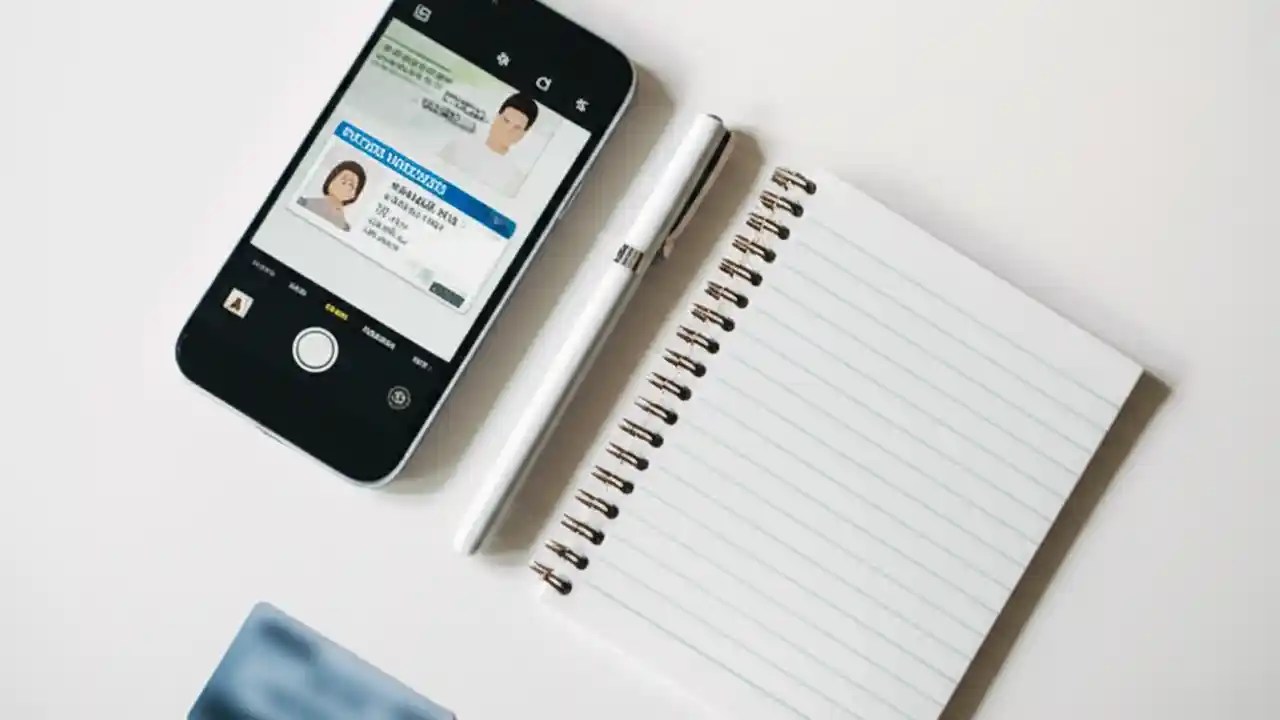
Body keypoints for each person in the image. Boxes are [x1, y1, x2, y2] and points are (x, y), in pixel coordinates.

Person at [439, 92, 539, 196]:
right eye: (506, 121)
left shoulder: (515, 179)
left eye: (516, 128)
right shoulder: (458, 145)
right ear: (496, 117)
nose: (507, 129)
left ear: (523, 134)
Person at [298, 160, 368, 232]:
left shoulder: (346, 229)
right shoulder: (302, 203)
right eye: (343, 181)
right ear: (331, 180)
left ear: (354, 195)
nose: (345, 186)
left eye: (351, 185)